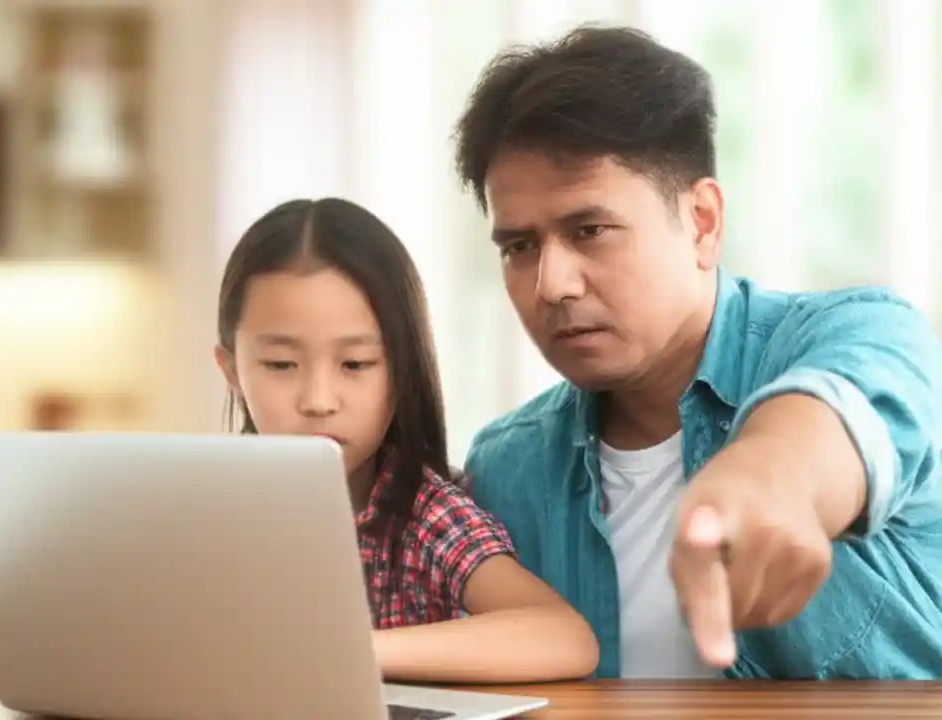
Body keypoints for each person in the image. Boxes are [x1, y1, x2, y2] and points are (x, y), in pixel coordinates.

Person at [455, 25, 942, 679]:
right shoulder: (508, 468)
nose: (552, 285)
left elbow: (833, 420)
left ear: (702, 222)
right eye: (520, 247)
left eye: (590, 230)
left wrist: (767, 480)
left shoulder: (865, 333)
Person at [213, 197, 599, 683]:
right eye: (280, 366)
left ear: (402, 374)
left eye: (355, 364)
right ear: (231, 370)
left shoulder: (424, 515)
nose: (318, 400)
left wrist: (345, 652)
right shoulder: (206, 511)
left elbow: (564, 638)